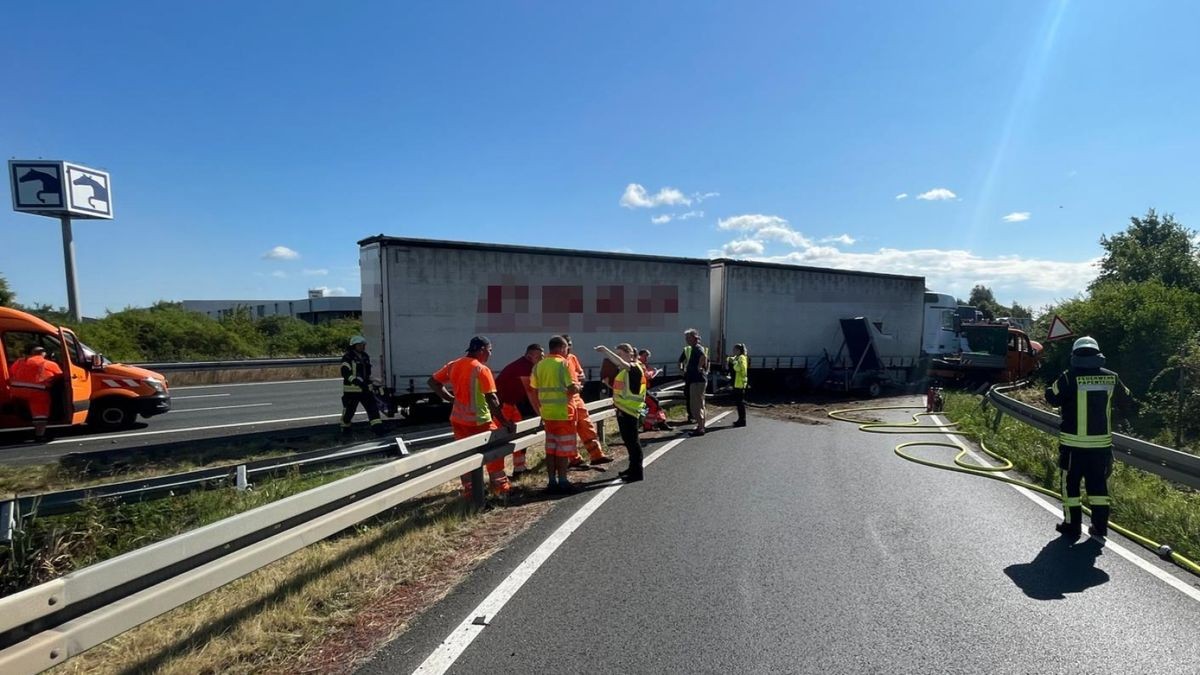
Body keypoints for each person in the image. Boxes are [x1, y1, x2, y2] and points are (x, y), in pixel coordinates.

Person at [1044, 336, 1134, 540]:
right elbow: (1128, 399)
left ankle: (1071, 526)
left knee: (1071, 486)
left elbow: (1051, 397)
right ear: (1098, 354)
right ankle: (1100, 527)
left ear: (1075, 355)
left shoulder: (1068, 377)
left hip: (1072, 447)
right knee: (1098, 487)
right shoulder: (1112, 377)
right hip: (1100, 447)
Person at [429, 336, 516, 499]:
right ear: (482, 350)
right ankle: (501, 488)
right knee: (495, 453)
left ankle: (470, 492)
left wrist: (450, 399)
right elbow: (492, 399)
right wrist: (505, 422)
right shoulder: (481, 369)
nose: (490, 354)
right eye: (490, 350)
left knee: (466, 457)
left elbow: (433, 382)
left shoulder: (454, 365)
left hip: (458, 420)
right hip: (479, 421)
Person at [532, 336, 581, 494]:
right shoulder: (564, 364)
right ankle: (563, 481)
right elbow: (572, 387)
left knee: (551, 449)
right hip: (564, 412)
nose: (567, 351)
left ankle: (551, 481)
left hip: (547, 413)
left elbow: (534, 387)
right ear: (561, 348)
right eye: (566, 348)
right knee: (563, 449)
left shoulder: (539, 365)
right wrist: (579, 387)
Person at [596, 343, 647, 482]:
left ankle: (637, 472)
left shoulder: (634, 367)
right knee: (629, 442)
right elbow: (625, 390)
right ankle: (632, 468)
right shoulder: (624, 371)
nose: (617, 358)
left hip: (630, 411)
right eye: (617, 354)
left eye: (620, 354)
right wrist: (609, 385)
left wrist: (606, 351)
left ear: (629, 354)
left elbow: (622, 364)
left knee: (633, 442)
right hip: (623, 410)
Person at [562, 335, 613, 466]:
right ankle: (574, 459)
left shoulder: (572, 358)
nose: (569, 346)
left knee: (587, 426)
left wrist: (582, 378)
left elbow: (580, 374)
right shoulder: (556, 361)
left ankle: (597, 455)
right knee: (569, 431)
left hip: (577, 398)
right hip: (564, 400)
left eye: (570, 344)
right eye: (567, 344)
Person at [496, 343, 544, 478]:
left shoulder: (525, 365)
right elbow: (530, 392)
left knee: (519, 435)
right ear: (531, 356)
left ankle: (519, 468)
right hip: (502, 406)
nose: (542, 358)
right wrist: (541, 414)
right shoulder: (525, 366)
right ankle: (498, 475)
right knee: (500, 440)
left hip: (511, 404)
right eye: (540, 356)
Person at [10, 345, 63, 441]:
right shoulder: (48, 363)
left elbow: (12, 372)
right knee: (40, 414)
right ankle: (39, 435)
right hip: (37, 392)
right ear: (43, 353)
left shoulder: (19, 361)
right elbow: (61, 376)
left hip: (17, 391)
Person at [340, 335, 385, 436]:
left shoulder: (365, 356)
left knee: (373, 409)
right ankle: (345, 431)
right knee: (349, 412)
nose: (362, 347)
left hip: (365, 390)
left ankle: (378, 430)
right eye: (360, 345)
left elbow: (367, 373)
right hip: (351, 391)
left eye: (363, 345)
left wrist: (371, 383)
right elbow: (345, 373)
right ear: (354, 346)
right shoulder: (348, 357)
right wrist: (356, 381)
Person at [678, 328, 709, 436]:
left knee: (696, 405)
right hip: (695, 380)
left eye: (688, 337)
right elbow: (681, 361)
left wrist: (699, 367)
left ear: (694, 338)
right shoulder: (692, 348)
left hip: (697, 380)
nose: (686, 340)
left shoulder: (697, 348)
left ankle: (700, 428)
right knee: (699, 403)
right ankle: (701, 426)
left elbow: (703, 356)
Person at [638, 349, 671, 432]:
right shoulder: (640, 364)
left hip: (643, 389)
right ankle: (649, 425)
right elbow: (648, 376)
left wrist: (654, 371)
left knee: (656, 404)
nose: (646, 358)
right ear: (640, 355)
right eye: (645, 356)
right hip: (641, 390)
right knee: (654, 404)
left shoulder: (643, 364)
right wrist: (655, 371)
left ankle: (661, 422)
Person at [727, 343, 749, 427]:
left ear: (739, 350)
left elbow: (740, 368)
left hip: (739, 383)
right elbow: (733, 360)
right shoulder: (738, 357)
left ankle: (742, 420)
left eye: (735, 350)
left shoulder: (741, 358)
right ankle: (740, 419)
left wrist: (734, 364)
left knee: (740, 403)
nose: (733, 351)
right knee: (738, 402)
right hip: (737, 382)